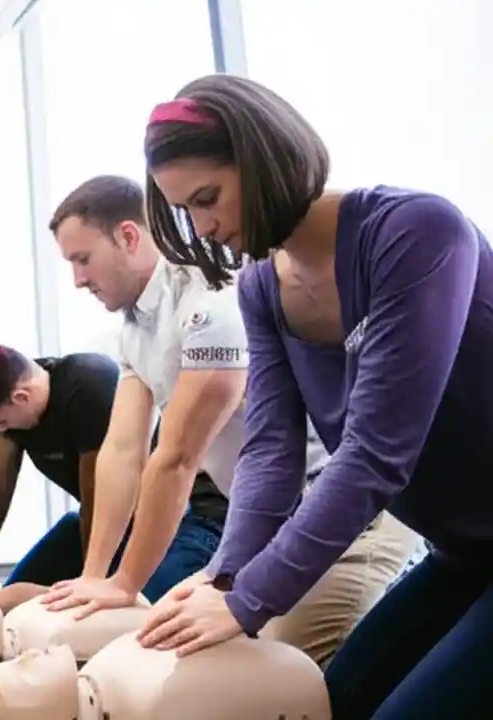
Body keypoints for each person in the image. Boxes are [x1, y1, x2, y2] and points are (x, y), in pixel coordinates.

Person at [133, 74, 493, 719]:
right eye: (186, 209)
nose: (204, 226)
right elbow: (271, 452)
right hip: (465, 551)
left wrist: (249, 602)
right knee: (334, 699)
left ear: (264, 156)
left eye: (209, 197)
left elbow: (377, 452)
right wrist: (225, 579)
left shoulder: (416, 231)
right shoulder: (262, 287)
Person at [41, 174, 419, 667]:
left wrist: (125, 583)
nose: (77, 280)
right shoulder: (136, 329)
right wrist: (96, 578)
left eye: (82, 259)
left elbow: (175, 457)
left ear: (129, 238)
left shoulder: (210, 307)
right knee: (209, 653)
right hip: (270, 522)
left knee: (272, 676)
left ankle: (395, 588)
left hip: (346, 514)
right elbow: (123, 451)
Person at [0, 344, 221, 600]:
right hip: (106, 521)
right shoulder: (15, 399)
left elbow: (101, 494)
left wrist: (92, 580)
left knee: (136, 615)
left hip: (184, 521)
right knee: (4, 602)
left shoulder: (88, 385)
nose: (1, 430)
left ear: (21, 397)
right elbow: (1, 475)